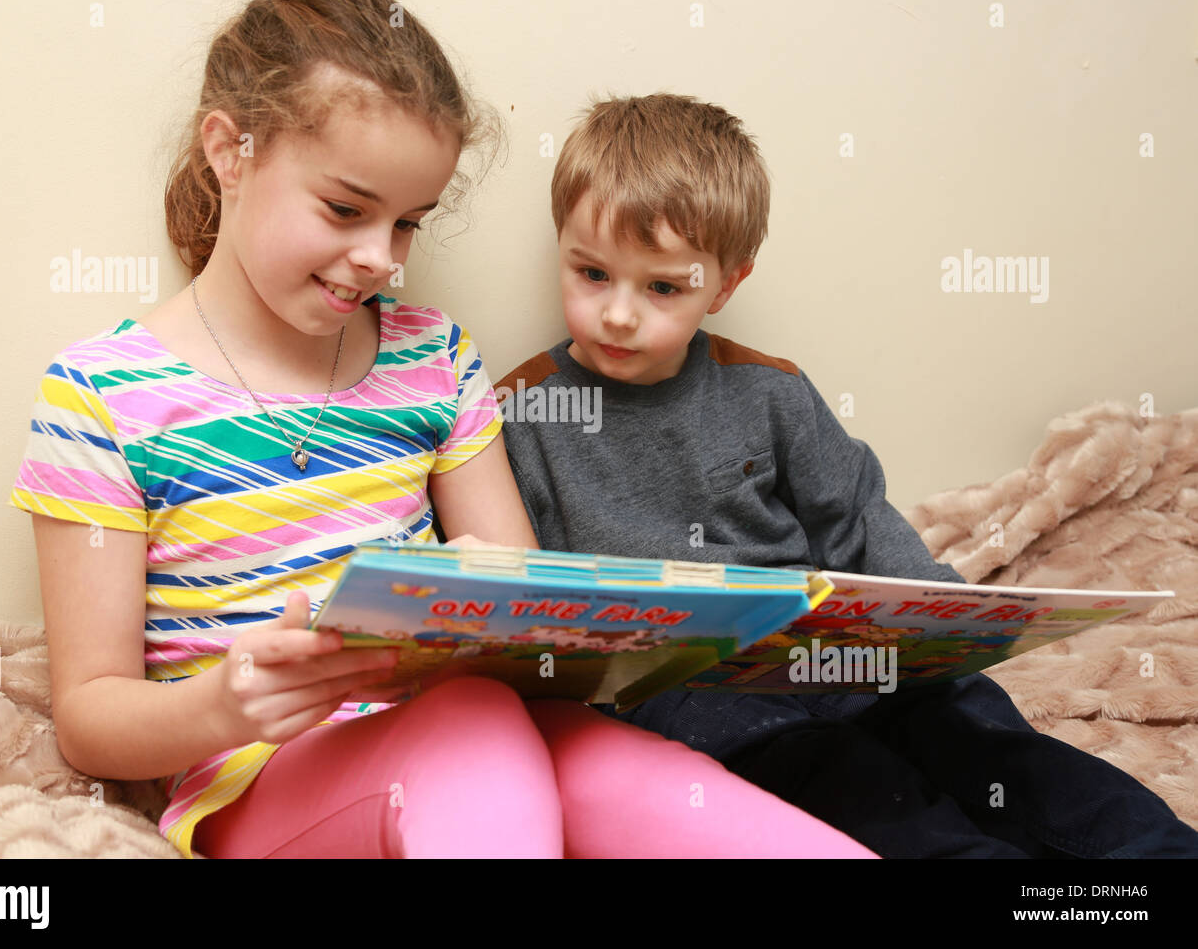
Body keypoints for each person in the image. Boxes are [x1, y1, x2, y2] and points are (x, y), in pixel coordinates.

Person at [6, 0, 875, 860]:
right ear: (230, 152)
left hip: (477, 728)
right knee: (473, 722)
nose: (379, 257)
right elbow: (88, 719)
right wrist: (222, 703)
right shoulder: (100, 393)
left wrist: (537, 620)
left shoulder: (435, 358)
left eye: (409, 223)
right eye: (346, 209)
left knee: (672, 794)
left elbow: (524, 601)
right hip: (266, 780)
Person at [496, 92, 1198, 858]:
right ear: (560, 248)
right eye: (592, 273)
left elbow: (859, 520)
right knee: (852, 785)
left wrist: (946, 627)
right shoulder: (522, 412)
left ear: (725, 285)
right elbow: (524, 594)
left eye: (662, 287)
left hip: (837, 649)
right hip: (692, 693)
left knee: (985, 734)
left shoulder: (769, 392)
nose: (620, 314)